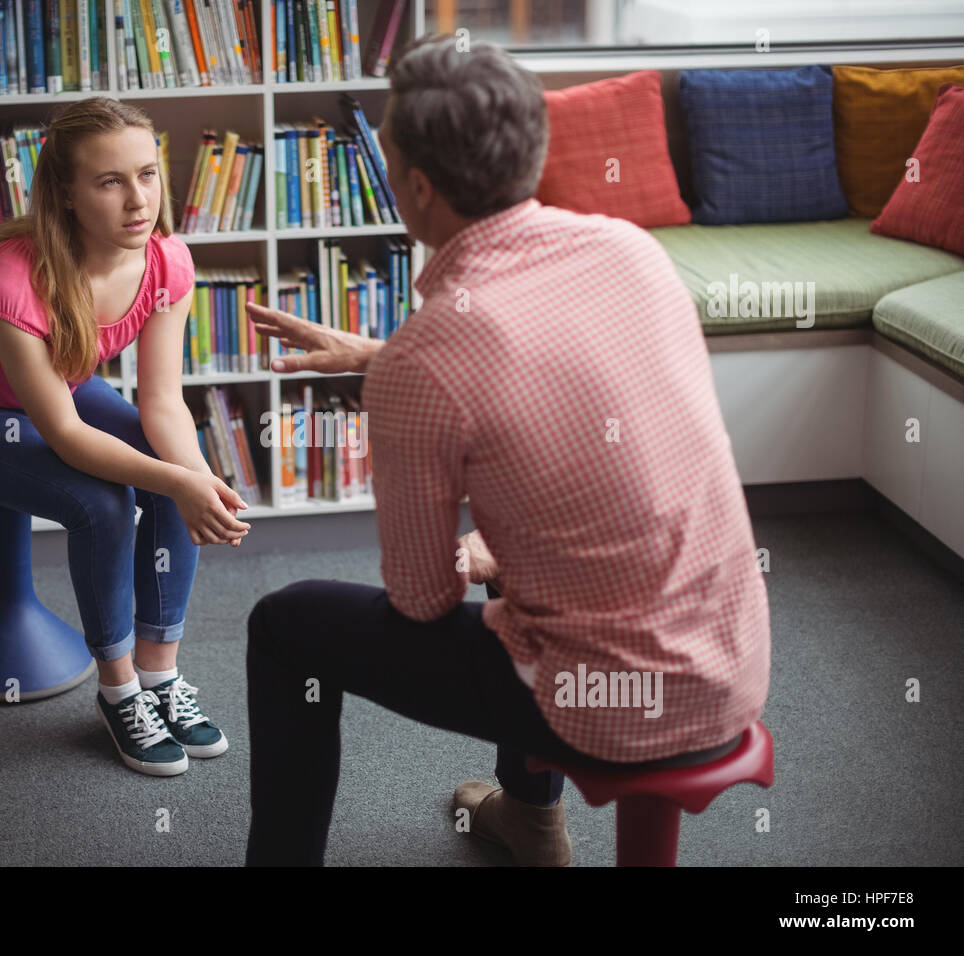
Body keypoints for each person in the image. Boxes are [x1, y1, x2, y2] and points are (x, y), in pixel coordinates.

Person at [242, 36, 771, 865]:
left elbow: (417, 602)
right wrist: (381, 358)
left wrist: (402, 387)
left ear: (418, 187)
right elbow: (564, 401)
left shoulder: (429, 360)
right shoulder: (629, 252)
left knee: (285, 623)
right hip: (731, 664)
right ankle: (529, 819)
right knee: (528, 561)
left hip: (604, 702)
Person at [0, 97, 252, 777]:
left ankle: (160, 677)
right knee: (101, 503)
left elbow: (161, 399)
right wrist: (180, 481)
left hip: (59, 388)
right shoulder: (14, 277)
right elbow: (66, 437)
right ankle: (120, 691)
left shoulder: (167, 262)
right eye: (110, 181)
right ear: (66, 193)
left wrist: (195, 480)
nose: (139, 201)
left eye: (149, 174)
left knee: (171, 472)